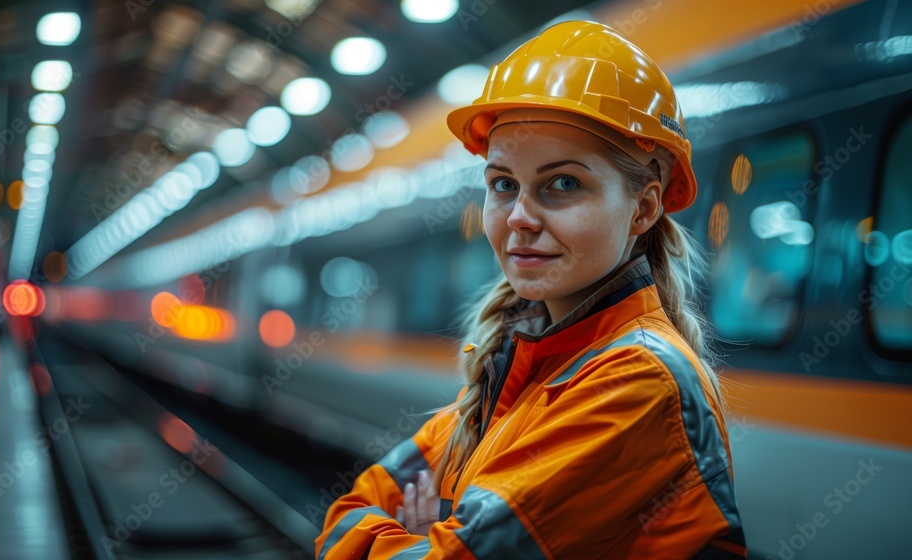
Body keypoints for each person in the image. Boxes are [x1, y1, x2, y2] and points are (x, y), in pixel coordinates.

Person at [314, 20, 746, 559]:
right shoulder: (520, 370)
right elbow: (342, 514)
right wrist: (418, 541)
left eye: (562, 183)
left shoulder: (634, 383)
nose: (519, 216)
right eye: (503, 184)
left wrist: (429, 534)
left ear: (643, 209)